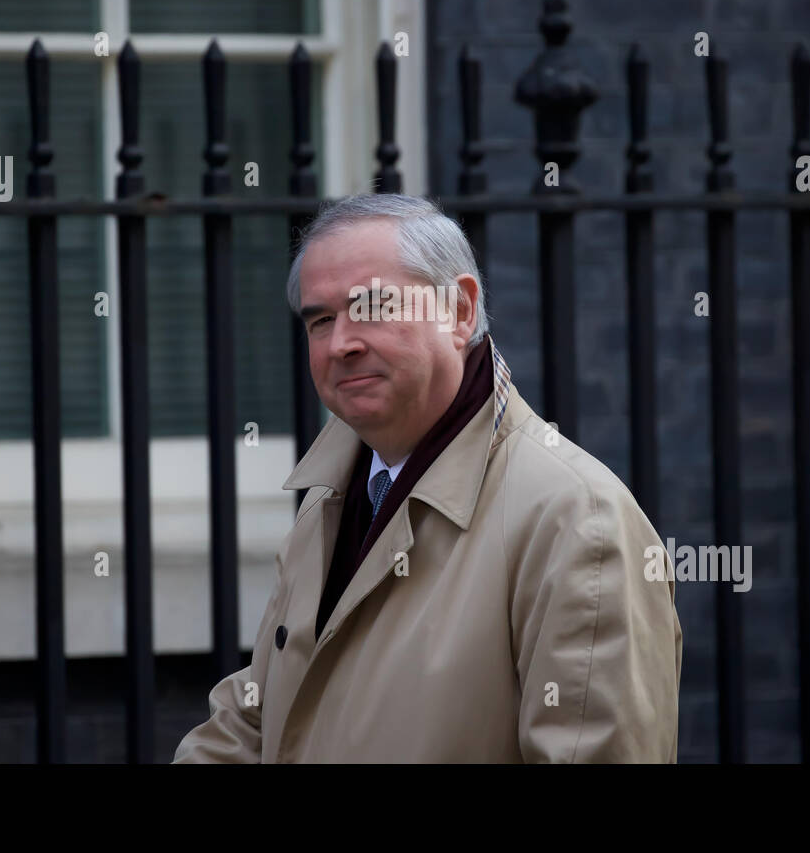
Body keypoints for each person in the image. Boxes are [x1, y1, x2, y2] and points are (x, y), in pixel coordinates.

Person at [173, 192, 682, 763]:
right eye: (320, 320)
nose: (342, 343)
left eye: (372, 306)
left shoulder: (578, 520)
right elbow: (252, 722)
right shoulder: (332, 496)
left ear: (460, 310)